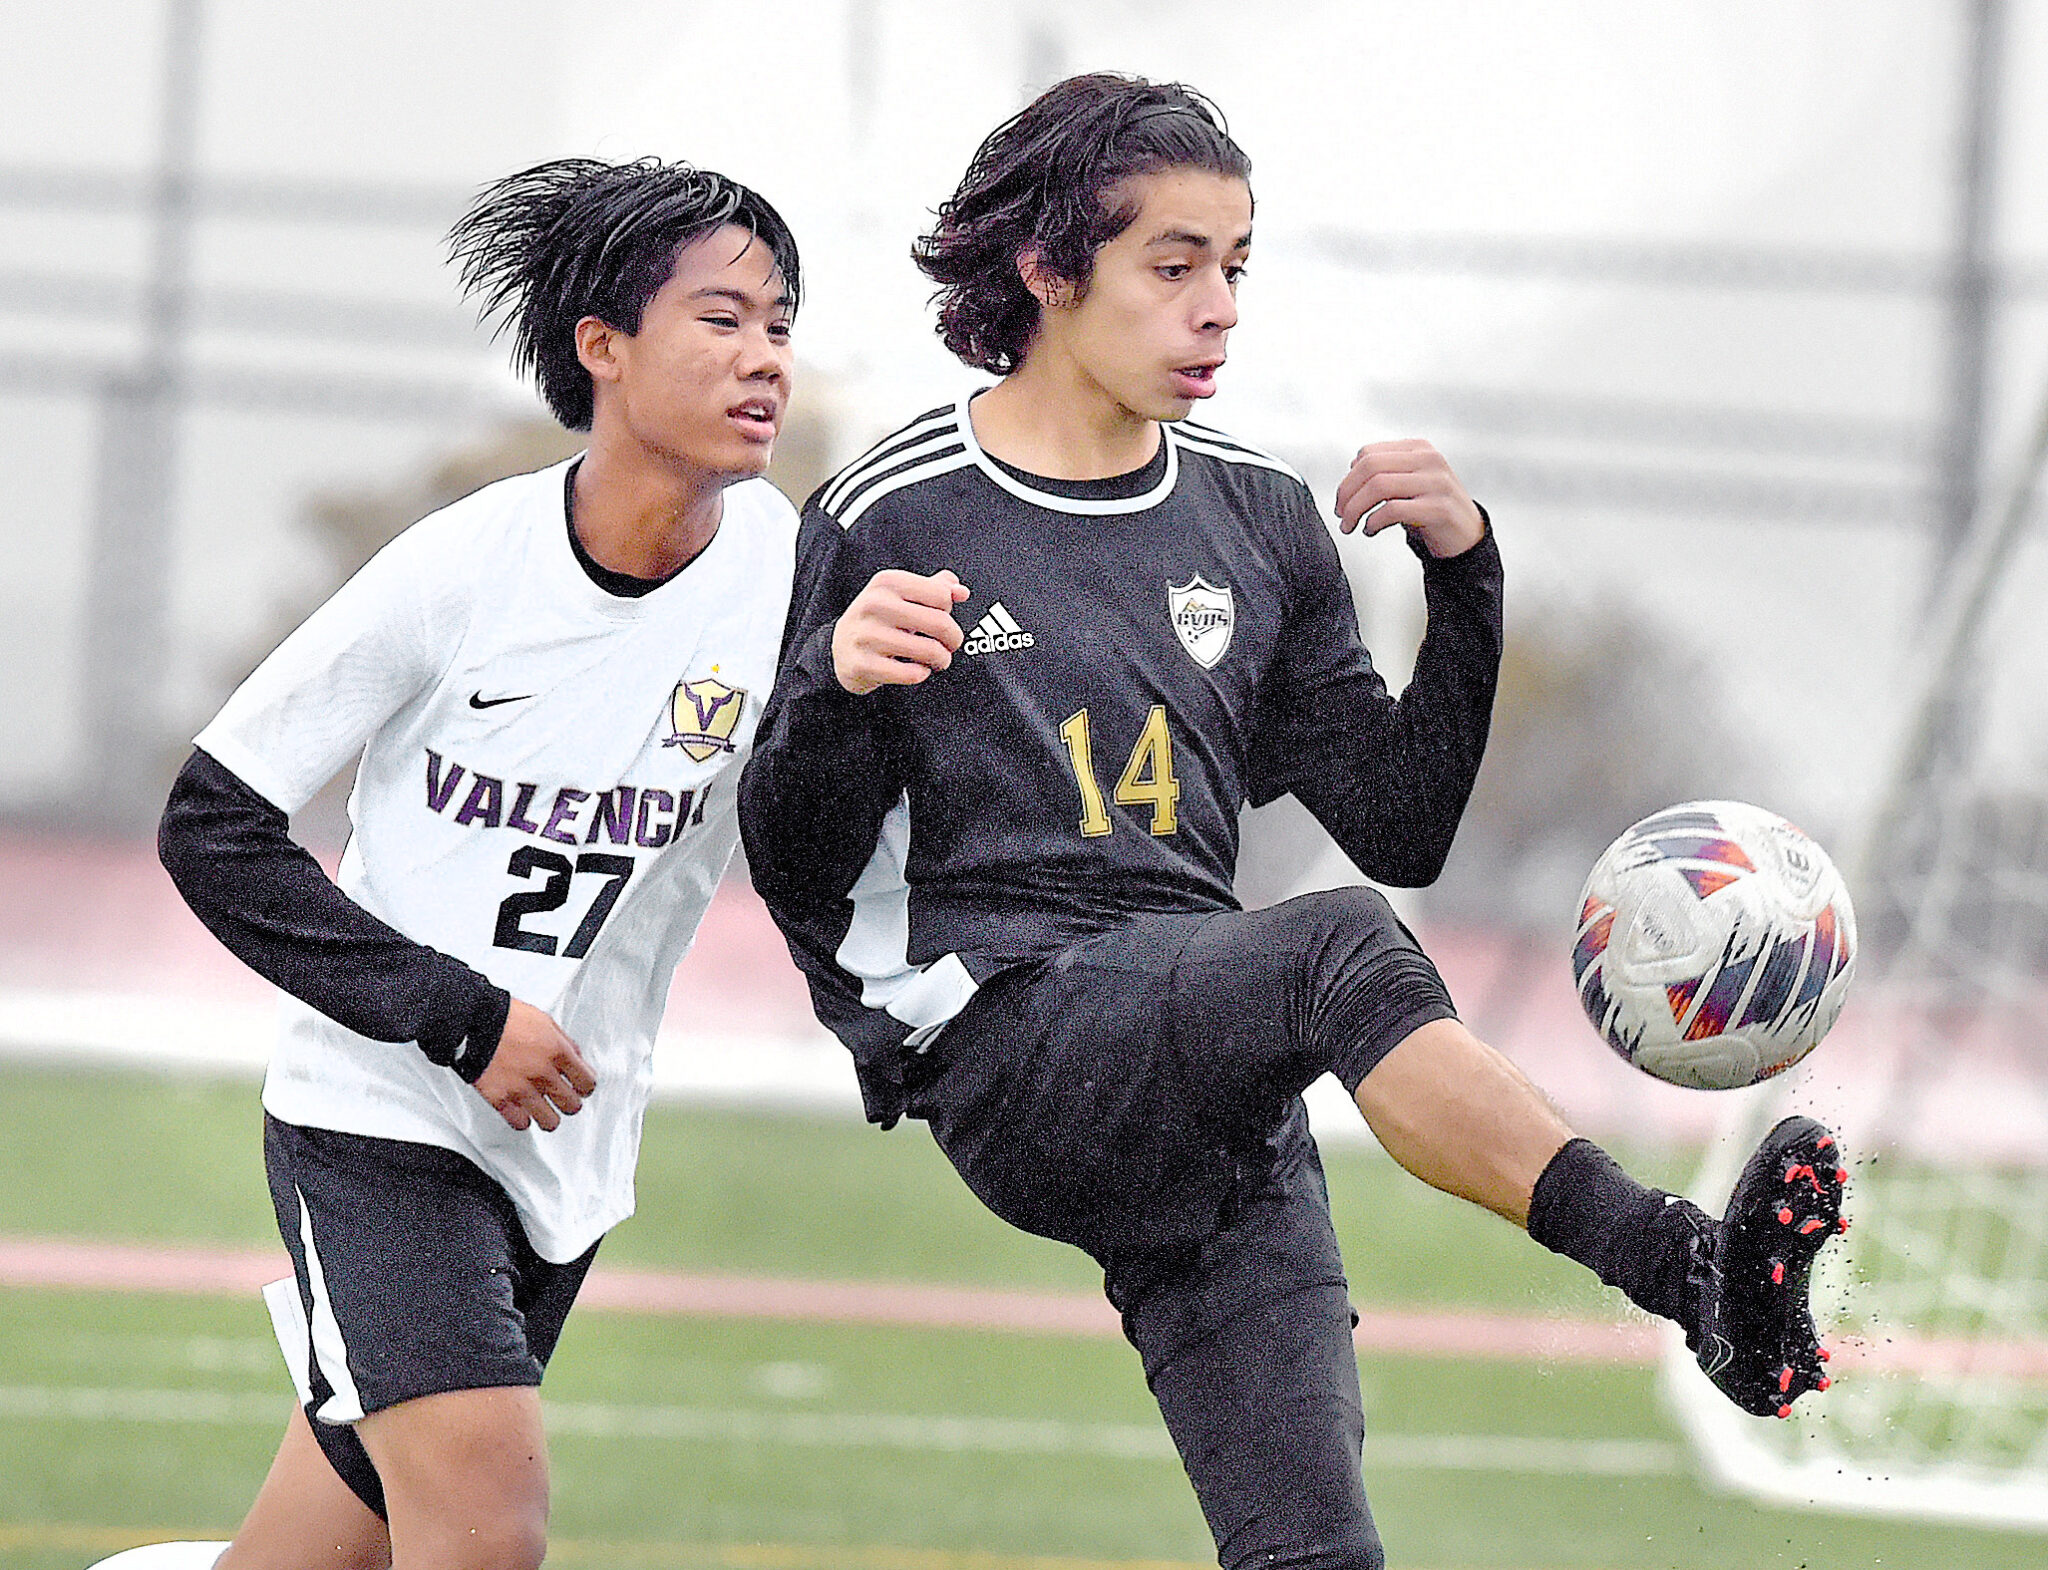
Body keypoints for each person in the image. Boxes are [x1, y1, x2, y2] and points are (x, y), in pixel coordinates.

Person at [737, 73, 1847, 1570]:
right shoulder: (895, 508)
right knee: (1336, 949)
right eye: (1173, 265)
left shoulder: (1260, 519)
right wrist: (831, 689)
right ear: (1048, 269)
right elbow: (796, 860)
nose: (1218, 308)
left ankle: (1698, 1290)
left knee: (1317, 1556)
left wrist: (1466, 579)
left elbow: (1399, 821)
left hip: (1209, 1069)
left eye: (1236, 265)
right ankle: (1685, 1269)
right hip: (1009, 1044)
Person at [137, 155, 811, 1570]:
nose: (766, 357)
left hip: (568, 1142)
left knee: (327, 1557)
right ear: (602, 346)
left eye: (779, 323)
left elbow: (832, 835)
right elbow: (213, 823)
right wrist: (459, 1015)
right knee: (486, 1529)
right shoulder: (461, 568)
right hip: (379, 1115)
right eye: (722, 319)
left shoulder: (798, 579)